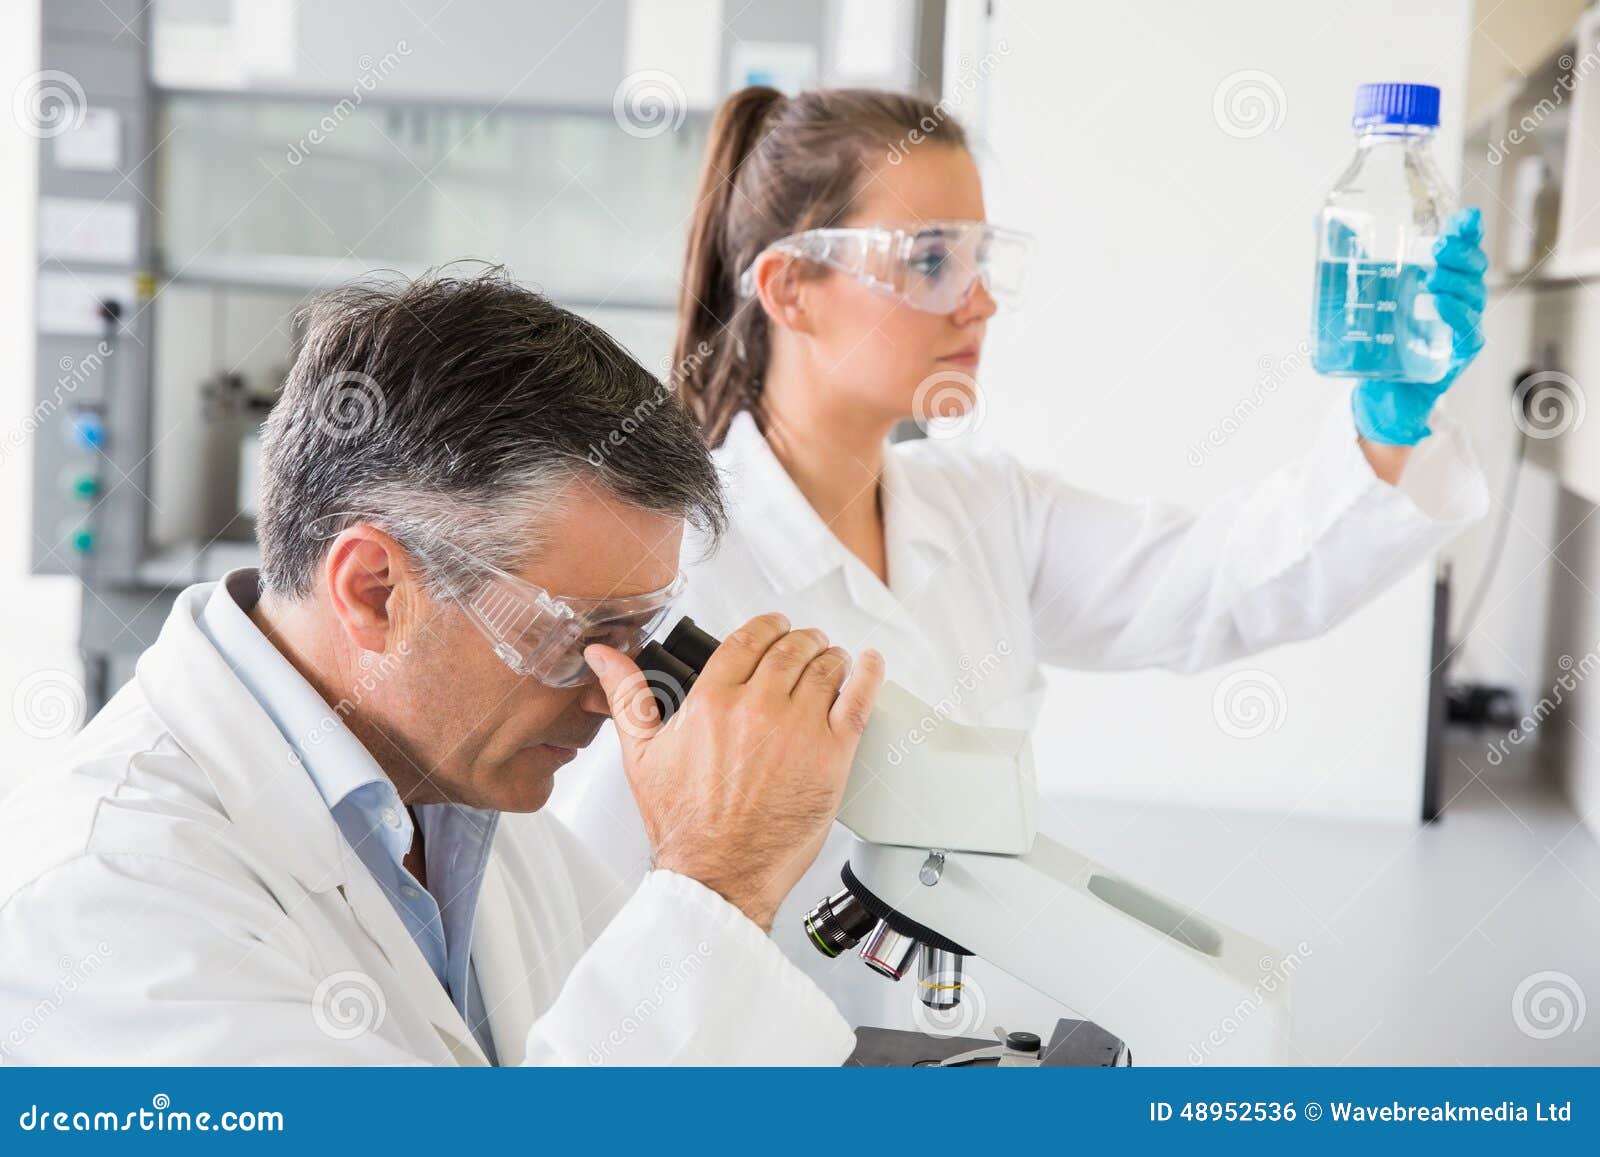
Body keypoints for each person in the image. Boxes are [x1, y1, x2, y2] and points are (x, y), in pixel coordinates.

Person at [554, 88, 1492, 1030]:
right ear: (790, 288)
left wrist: (1384, 430)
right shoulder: (679, 573)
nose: (981, 299)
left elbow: (1220, 583)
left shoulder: (982, 508)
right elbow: (580, 924)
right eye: (930, 260)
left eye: (980, 257)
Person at [0, 270, 886, 1066]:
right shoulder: (112, 900)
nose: (614, 693)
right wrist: (714, 882)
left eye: (640, 630)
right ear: (376, 589)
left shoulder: (464, 804)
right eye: (582, 632)